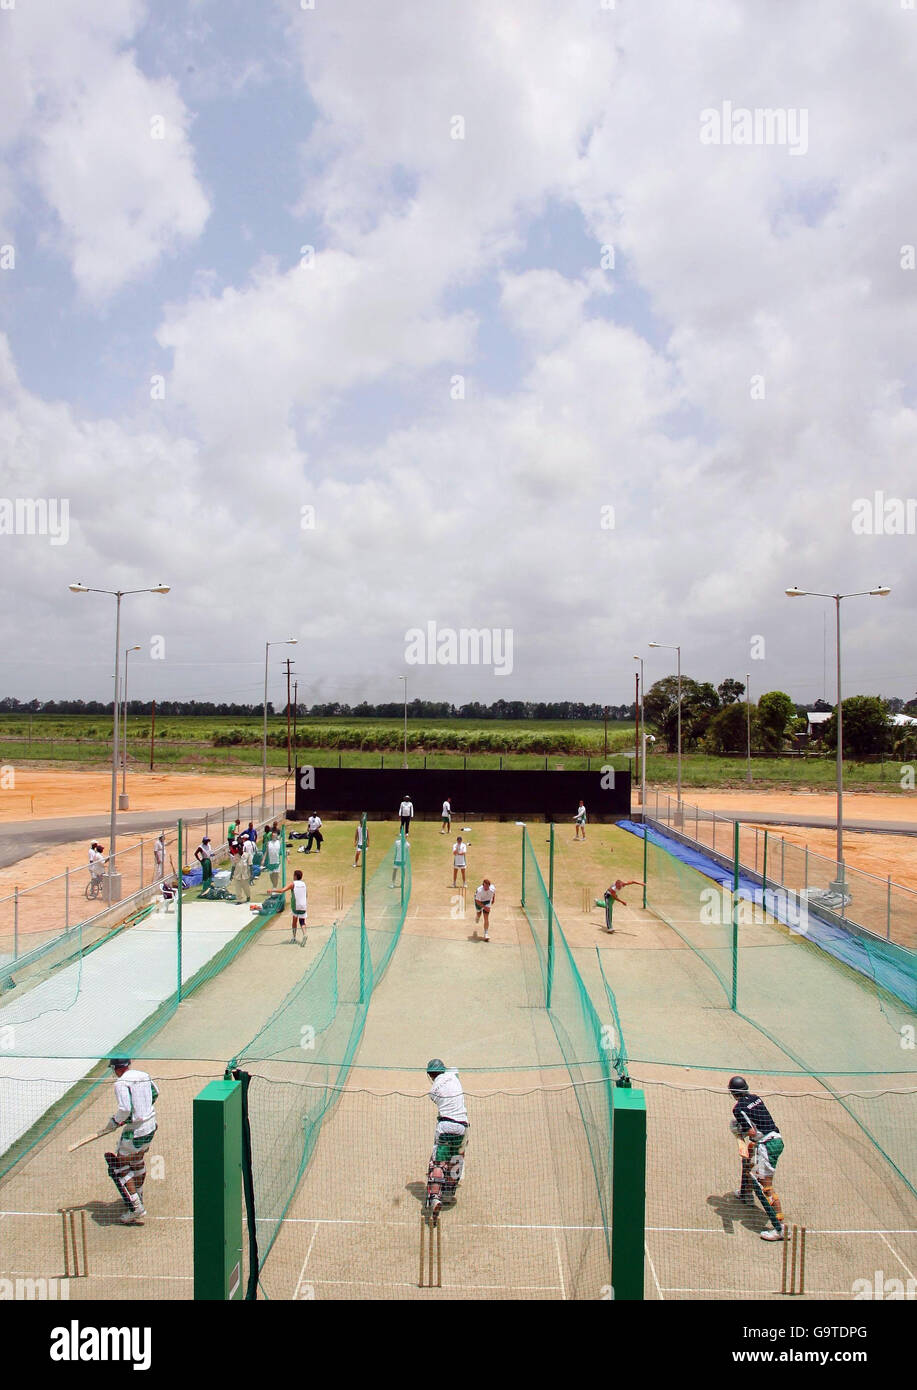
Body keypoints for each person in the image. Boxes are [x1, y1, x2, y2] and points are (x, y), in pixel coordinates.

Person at [728, 1076, 787, 1241]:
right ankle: (745, 1194)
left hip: (767, 1145)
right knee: (750, 1158)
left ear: (732, 1093)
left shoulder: (738, 1108)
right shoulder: (756, 1098)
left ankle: (780, 1228)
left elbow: (752, 1133)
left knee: (765, 1185)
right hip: (776, 1139)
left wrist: (738, 1132)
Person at [102, 1058, 159, 1225]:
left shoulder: (121, 1083)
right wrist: (143, 1109)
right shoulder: (143, 1075)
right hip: (150, 1125)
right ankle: (139, 1196)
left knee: (120, 1164)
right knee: (138, 1160)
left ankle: (136, 1208)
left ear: (116, 1068)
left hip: (135, 1131)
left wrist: (114, 1122)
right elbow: (155, 1092)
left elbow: (125, 1109)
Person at [424, 1059, 469, 1216]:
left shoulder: (432, 1092)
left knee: (438, 1162)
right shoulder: (452, 1074)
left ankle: (435, 1197)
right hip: (462, 1125)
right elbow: (455, 1069)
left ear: (430, 1075)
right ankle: (449, 1193)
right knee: (456, 1157)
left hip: (445, 1125)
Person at [277, 868, 308, 945]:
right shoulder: (304, 884)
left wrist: (271, 891)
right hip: (303, 906)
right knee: (302, 921)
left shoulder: (293, 884)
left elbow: (282, 891)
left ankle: (294, 938)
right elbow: (306, 895)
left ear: (295, 876)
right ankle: (305, 934)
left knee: (294, 921)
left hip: (295, 906)